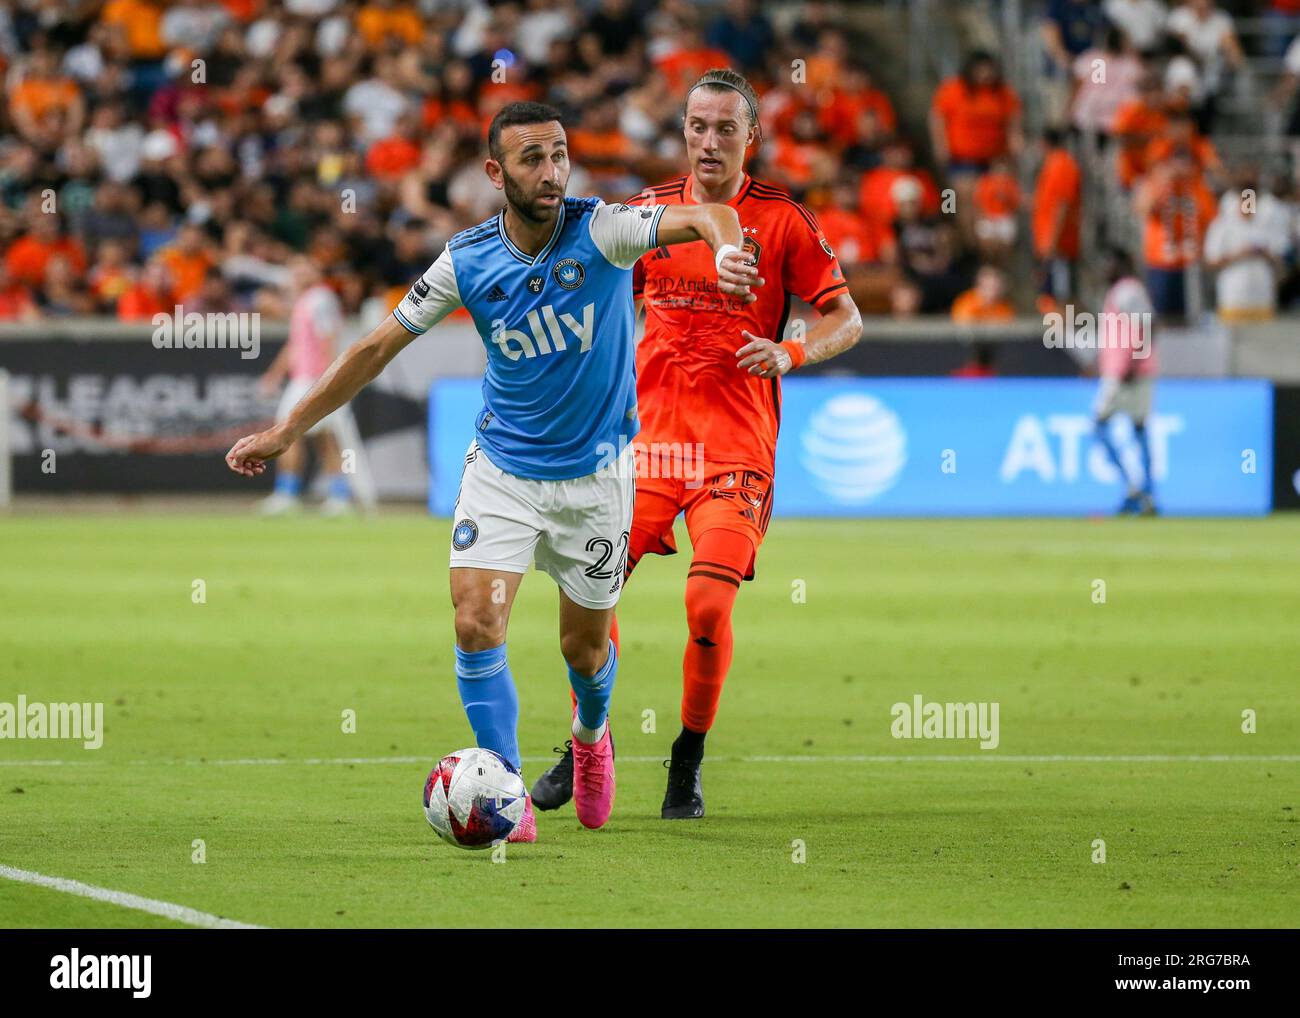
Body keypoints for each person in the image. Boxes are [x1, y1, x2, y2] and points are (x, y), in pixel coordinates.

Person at [226, 101, 759, 839]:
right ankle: (506, 788)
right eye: (533, 159)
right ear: (494, 172)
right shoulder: (467, 259)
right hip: (503, 469)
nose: (552, 172)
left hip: (596, 478)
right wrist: (289, 428)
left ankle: (592, 736)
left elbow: (702, 217)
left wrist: (728, 248)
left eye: (559, 155)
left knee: (585, 648)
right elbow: (378, 347)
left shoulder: (602, 229)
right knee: (476, 621)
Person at [529, 70, 862, 820]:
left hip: (735, 447)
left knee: (708, 607)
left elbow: (848, 317)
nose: (709, 142)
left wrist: (792, 352)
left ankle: (688, 757)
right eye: (697, 127)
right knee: (590, 594)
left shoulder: (781, 221)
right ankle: (591, 740)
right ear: (683, 132)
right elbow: (592, 294)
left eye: (725, 129)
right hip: (646, 448)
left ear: (753, 137)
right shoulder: (647, 215)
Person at [255, 257, 357, 517]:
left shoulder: (320, 298)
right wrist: (274, 375)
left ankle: (289, 492)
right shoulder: (305, 301)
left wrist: (332, 381)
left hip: (313, 380)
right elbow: (295, 345)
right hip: (305, 378)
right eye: (294, 271)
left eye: (303, 270)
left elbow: (328, 339)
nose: (297, 275)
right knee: (323, 436)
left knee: (290, 432)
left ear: (315, 272)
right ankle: (337, 494)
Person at [1093, 248, 1159, 515]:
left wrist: (1132, 362)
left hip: (1128, 374)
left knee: (1098, 426)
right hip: (1127, 371)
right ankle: (1145, 495)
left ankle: (1136, 488)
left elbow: (1150, 323)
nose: (1105, 268)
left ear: (1122, 265)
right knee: (1139, 429)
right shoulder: (1122, 291)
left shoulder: (1126, 290)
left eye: (1109, 262)